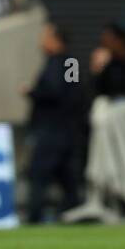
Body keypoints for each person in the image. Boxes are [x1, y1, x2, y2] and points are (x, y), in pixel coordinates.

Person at [24, 22, 87, 223]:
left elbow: (58, 92)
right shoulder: (71, 63)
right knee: (67, 178)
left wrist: (32, 92)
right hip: (67, 130)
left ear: (56, 40)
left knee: (39, 174)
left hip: (54, 130)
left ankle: (35, 217)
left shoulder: (60, 63)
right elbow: (74, 92)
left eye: (46, 37)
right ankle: (74, 214)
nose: (42, 41)